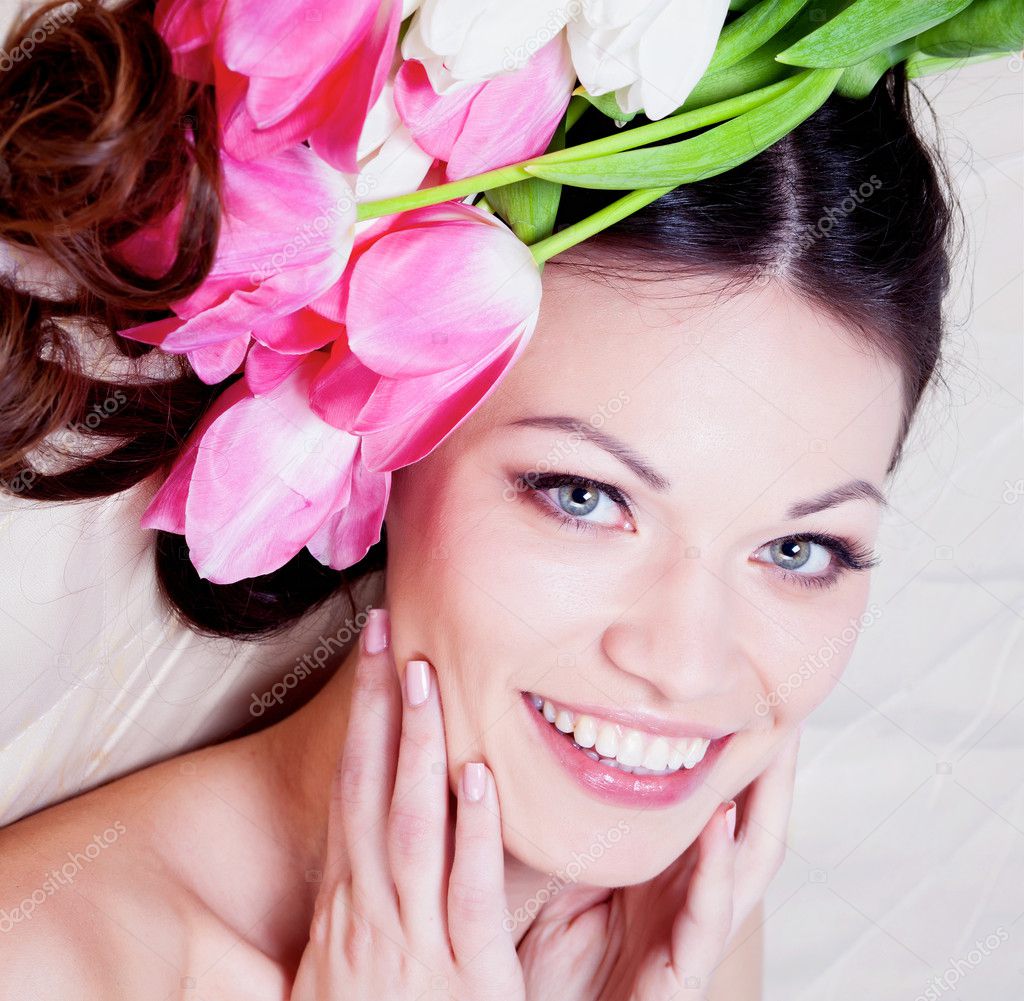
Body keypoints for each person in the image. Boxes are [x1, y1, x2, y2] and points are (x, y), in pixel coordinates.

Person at [0, 4, 955, 998]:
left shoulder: (673, 926)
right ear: (388, 449)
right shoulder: (45, 961)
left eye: (801, 550)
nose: (684, 664)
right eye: (584, 496)